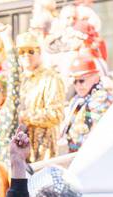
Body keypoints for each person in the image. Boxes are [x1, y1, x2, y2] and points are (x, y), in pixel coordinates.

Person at [15, 32, 68, 162]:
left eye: (31, 51)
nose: (26, 55)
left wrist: (25, 116)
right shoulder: (17, 80)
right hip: (19, 150)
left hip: (42, 150)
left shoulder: (51, 78)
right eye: (22, 52)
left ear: (39, 53)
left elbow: (56, 114)